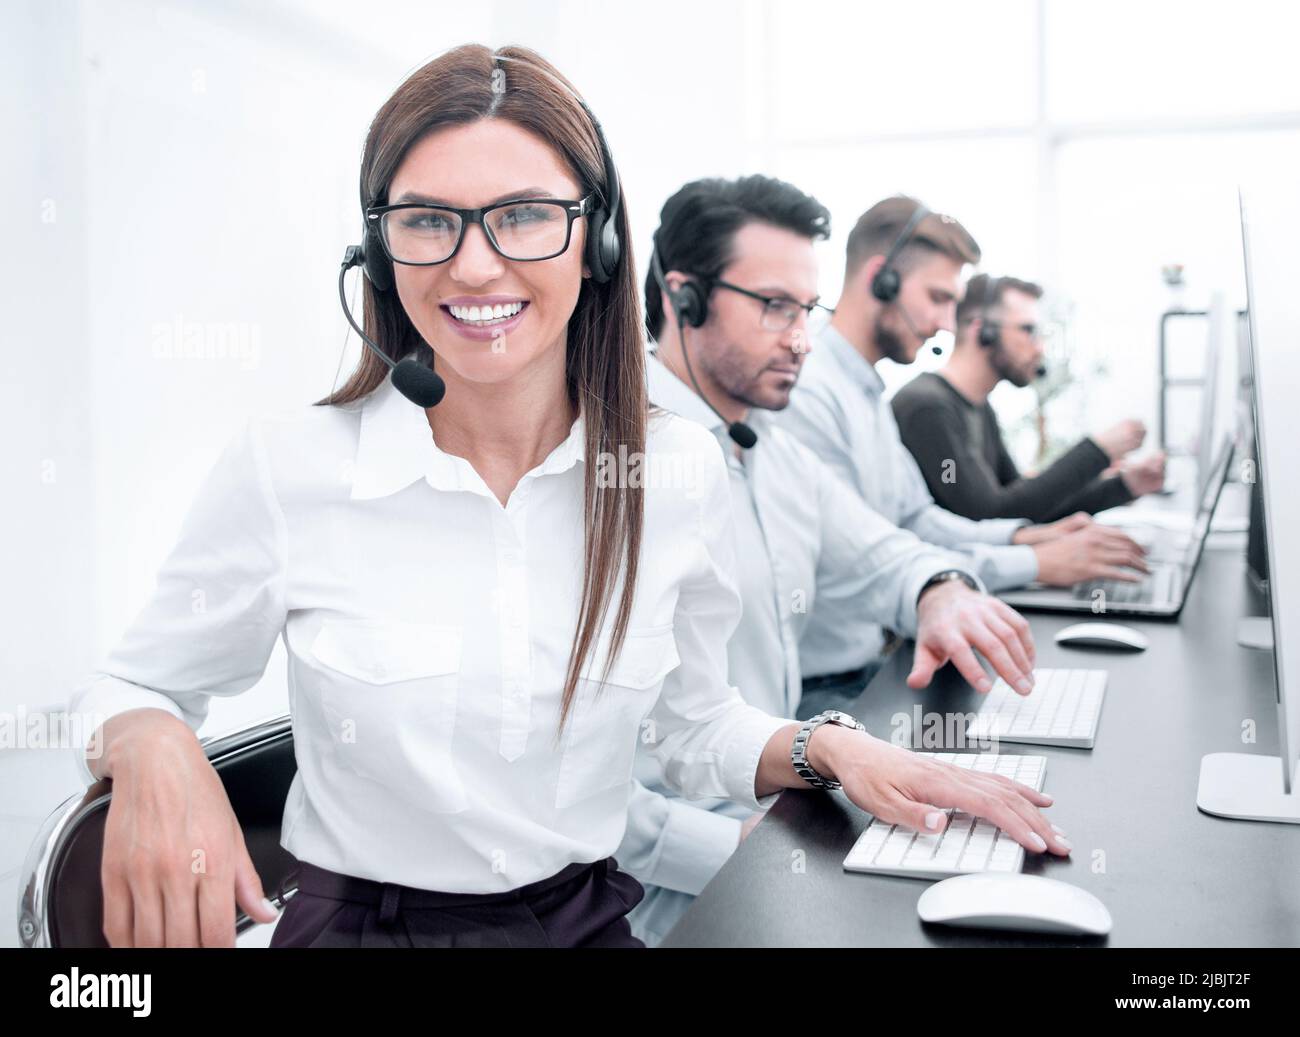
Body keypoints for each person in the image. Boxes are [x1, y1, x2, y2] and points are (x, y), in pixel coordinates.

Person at [67, 46, 1065, 951]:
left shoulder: (671, 469)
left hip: (587, 920)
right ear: (378, 251)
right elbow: (129, 684)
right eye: (425, 221)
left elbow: (689, 723)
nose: (473, 262)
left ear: (595, 243)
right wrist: (153, 736)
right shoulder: (293, 467)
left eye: (523, 215)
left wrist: (828, 750)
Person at [617, 175, 1065, 946]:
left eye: (807, 310)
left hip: (783, 808)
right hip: (669, 892)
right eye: (774, 306)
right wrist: (727, 850)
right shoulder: (614, 465)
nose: (801, 338)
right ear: (682, 298)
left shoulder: (773, 447)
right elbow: (567, 781)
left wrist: (939, 588)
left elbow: (885, 545)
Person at [774, 195, 1148, 714]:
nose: (949, 324)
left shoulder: (865, 390)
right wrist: (1035, 560)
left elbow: (916, 517)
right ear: (881, 279)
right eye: (937, 297)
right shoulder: (810, 391)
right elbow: (857, 563)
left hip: (874, 666)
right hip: (831, 690)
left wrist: (1023, 536)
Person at [892, 272, 1166, 522]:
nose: (1039, 348)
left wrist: (1125, 486)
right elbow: (985, 514)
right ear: (982, 330)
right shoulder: (927, 410)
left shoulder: (979, 408)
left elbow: (1024, 505)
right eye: (1027, 330)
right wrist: (1097, 451)